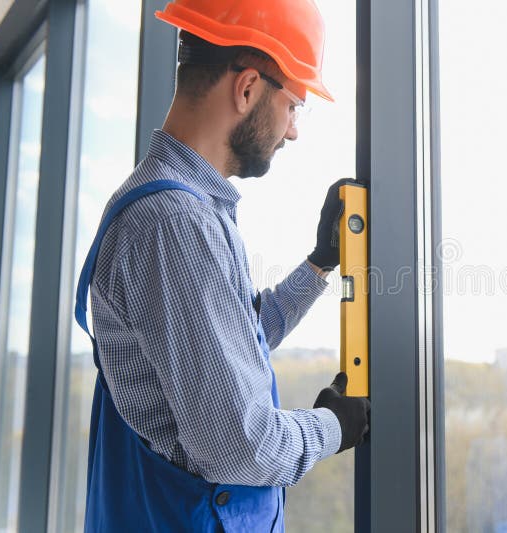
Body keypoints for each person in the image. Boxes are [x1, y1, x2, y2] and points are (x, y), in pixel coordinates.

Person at [73, 1, 370, 530]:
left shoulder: (175, 207)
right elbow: (241, 446)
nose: (294, 130)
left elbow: (229, 345)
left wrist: (319, 264)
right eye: (295, 104)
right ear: (249, 88)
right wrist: (334, 426)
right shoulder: (174, 224)